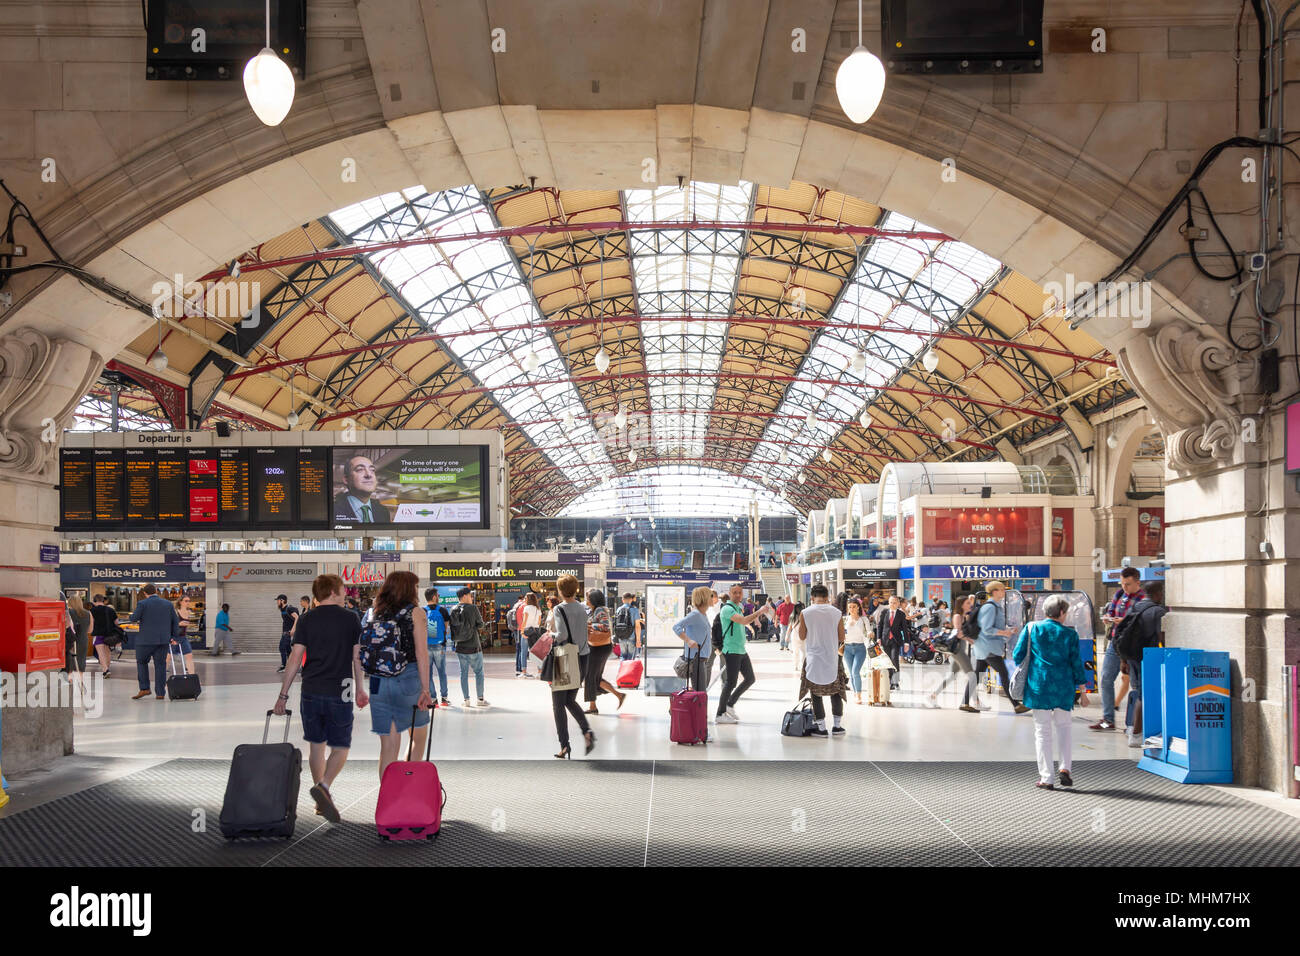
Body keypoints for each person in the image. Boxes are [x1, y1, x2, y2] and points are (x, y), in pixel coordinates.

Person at [273, 573, 367, 821]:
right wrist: (360, 688)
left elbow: (295, 659)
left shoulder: (306, 619)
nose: (346, 592)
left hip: (311, 689)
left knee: (316, 745)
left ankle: (320, 801)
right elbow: (357, 658)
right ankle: (323, 787)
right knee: (341, 745)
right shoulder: (351, 618)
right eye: (343, 588)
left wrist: (283, 695)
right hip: (342, 688)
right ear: (334, 591)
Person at [1012, 593, 1088, 789]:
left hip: (1039, 685)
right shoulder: (1070, 634)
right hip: (1063, 686)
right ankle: (1065, 769)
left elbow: (1017, 655)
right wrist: (1083, 689)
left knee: (1042, 731)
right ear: (1061, 612)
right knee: (1064, 727)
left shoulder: (1032, 628)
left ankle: (1047, 778)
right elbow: (1076, 663)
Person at [363, 570, 432, 780]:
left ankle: (387, 799)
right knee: (418, 737)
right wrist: (426, 689)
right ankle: (405, 790)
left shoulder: (374, 612)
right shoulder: (416, 612)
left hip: (378, 681)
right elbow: (421, 653)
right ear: (409, 588)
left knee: (388, 747)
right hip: (407, 678)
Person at [1111, 581, 1168, 750]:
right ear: (1158, 593)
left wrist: (1123, 660)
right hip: (1150, 658)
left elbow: (1121, 633)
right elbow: (1162, 637)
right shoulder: (1158, 612)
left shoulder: (1135, 607)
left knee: (1139, 691)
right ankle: (1136, 734)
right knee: (1144, 695)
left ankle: (1134, 729)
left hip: (1133, 657)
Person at [1090, 566, 1147, 732]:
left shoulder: (1143, 599)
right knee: (1106, 678)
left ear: (1137, 582)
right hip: (1116, 642)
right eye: (1122, 583)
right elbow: (1112, 612)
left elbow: (1141, 621)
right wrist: (1109, 619)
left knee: (1136, 683)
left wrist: (1123, 620)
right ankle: (1108, 719)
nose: (1125, 587)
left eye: (1128, 584)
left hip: (1134, 645)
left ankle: (1136, 723)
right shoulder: (1119, 595)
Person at [550, 573, 594, 758]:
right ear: (575, 590)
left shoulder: (559, 609)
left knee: (558, 704)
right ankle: (587, 732)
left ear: (560, 591)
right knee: (569, 699)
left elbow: (561, 635)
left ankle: (565, 746)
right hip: (583, 657)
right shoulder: (583, 609)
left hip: (566, 656)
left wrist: (549, 634)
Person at [798, 584, 849, 736]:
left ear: (812, 597)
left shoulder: (805, 612)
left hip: (814, 657)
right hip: (832, 657)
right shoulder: (837, 612)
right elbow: (841, 637)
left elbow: (801, 636)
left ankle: (821, 728)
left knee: (815, 693)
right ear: (827, 596)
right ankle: (837, 727)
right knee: (836, 692)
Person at [974, 581, 1030, 714]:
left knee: (977, 675)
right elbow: (987, 629)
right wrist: (1004, 632)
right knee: (1004, 674)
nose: (1004, 591)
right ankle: (1016, 705)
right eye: (1001, 589)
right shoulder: (990, 607)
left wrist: (1008, 630)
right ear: (994, 592)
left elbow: (994, 627)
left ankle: (964, 702)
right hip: (989, 648)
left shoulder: (996, 606)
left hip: (986, 647)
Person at [715, 583, 764, 724]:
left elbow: (742, 623)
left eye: (739, 593)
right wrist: (759, 612)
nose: (737, 595)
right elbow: (742, 620)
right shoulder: (727, 609)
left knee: (750, 679)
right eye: (734, 592)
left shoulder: (738, 607)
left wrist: (751, 625)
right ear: (729, 593)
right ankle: (720, 713)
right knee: (730, 683)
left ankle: (730, 704)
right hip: (731, 651)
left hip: (741, 650)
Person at [128, 583, 179, 700]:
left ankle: (145, 688)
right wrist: (174, 637)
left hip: (145, 641)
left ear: (145, 593)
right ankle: (160, 693)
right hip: (163, 641)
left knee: (142, 663)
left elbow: (134, 618)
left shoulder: (142, 603)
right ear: (156, 591)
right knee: (160, 666)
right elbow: (175, 622)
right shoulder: (168, 604)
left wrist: (131, 617)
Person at [929, 593, 979, 712]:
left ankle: (933, 696)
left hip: (959, 649)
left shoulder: (963, 615)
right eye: (967, 603)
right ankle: (974, 702)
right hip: (957, 650)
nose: (970, 605)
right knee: (972, 675)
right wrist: (970, 640)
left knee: (952, 676)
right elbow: (958, 633)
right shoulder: (957, 616)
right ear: (961, 605)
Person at [582, 589, 625, 713]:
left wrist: (590, 626)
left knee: (590, 676)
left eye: (588, 598)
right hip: (597, 646)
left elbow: (605, 626)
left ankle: (593, 707)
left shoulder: (600, 610)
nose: (586, 600)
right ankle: (618, 695)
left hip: (599, 647)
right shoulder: (593, 611)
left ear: (593, 599)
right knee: (593, 677)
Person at [448, 587, 489, 708]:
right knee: (479, 673)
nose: (471, 597)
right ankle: (480, 699)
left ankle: (466, 700)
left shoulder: (453, 609)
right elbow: (481, 624)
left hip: (460, 647)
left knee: (463, 673)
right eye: (470, 595)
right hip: (473, 646)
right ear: (464, 596)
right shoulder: (473, 608)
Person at [672, 586, 713, 698]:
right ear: (705, 598)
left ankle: (697, 714)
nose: (713, 598)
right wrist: (688, 640)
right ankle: (697, 714)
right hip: (696, 659)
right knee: (700, 693)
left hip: (701, 659)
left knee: (699, 692)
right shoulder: (695, 615)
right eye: (711, 596)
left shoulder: (703, 615)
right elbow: (676, 627)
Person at [332, 453, 392, 523]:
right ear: (346, 479)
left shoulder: (383, 511)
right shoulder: (333, 510)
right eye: (360, 469)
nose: (369, 474)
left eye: (372, 470)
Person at [423, 588, 452, 707]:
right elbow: (445, 629)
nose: (439, 597)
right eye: (438, 595)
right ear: (434, 597)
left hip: (426, 646)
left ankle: (434, 699)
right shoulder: (443, 610)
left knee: (428, 674)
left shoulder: (422, 611)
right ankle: (444, 699)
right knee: (442, 673)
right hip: (439, 646)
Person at [875, 596, 910, 691]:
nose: (892, 604)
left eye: (894, 602)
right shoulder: (884, 612)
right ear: (888, 603)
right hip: (885, 640)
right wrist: (878, 638)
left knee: (894, 660)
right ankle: (890, 681)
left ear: (898, 603)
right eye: (891, 602)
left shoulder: (901, 614)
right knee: (888, 661)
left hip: (896, 641)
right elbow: (880, 626)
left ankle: (896, 682)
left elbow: (905, 629)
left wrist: (907, 642)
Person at [842, 598, 870, 705]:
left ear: (858, 607)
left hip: (860, 648)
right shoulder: (844, 620)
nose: (852, 609)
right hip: (847, 649)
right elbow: (840, 633)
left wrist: (870, 633)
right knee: (851, 673)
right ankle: (855, 693)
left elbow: (868, 631)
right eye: (850, 607)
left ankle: (858, 695)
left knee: (855, 672)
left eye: (854, 606)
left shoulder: (863, 620)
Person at [89, 594, 117, 676]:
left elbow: (92, 623)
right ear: (103, 601)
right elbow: (116, 622)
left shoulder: (92, 611)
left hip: (98, 634)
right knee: (107, 652)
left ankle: (105, 670)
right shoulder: (110, 610)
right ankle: (107, 668)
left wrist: (90, 632)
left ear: (94, 601)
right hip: (109, 634)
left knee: (101, 653)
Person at [518, 591, 543, 679]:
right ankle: (539, 672)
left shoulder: (527, 608)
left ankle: (524, 672)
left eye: (525, 598)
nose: (524, 599)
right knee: (536, 652)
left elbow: (524, 621)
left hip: (527, 631)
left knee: (524, 652)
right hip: (535, 631)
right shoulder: (538, 608)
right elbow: (539, 622)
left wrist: (522, 632)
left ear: (528, 599)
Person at [65, 595, 91, 677]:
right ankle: (80, 682)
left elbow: (65, 626)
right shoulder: (88, 613)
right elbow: (90, 630)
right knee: (81, 661)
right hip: (83, 640)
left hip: (70, 640)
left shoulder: (68, 613)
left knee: (70, 661)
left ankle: (70, 680)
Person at [613, 593, 641, 661]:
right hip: (631, 636)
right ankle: (629, 671)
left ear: (623, 600)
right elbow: (637, 626)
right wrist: (638, 640)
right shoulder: (635, 610)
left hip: (621, 636)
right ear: (631, 600)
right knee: (630, 658)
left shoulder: (618, 609)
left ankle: (622, 671)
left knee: (623, 657)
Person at [275, 595, 299, 673]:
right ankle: (289, 665)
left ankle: (286, 666)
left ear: (282, 600)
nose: (277, 602)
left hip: (288, 632)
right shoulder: (282, 609)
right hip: (285, 633)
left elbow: (297, 617)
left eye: (278, 600)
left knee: (283, 648)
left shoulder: (289, 608)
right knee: (286, 649)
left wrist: (293, 629)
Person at [175, 594, 196, 674]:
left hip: (183, 637)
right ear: (180, 602)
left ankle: (193, 677)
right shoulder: (176, 612)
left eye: (189, 601)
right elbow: (169, 624)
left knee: (189, 656)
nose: (188, 602)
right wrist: (179, 624)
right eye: (186, 601)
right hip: (174, 637)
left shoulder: (188, 612)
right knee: (167, 658)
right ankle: (162, 680)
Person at [508, 594, 525, 677]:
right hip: (520, 629)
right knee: (521, 649)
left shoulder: (516, 605)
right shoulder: (523, 605)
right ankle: (520, 669)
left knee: (518, 649)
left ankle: (518, 669)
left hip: (516, 629)